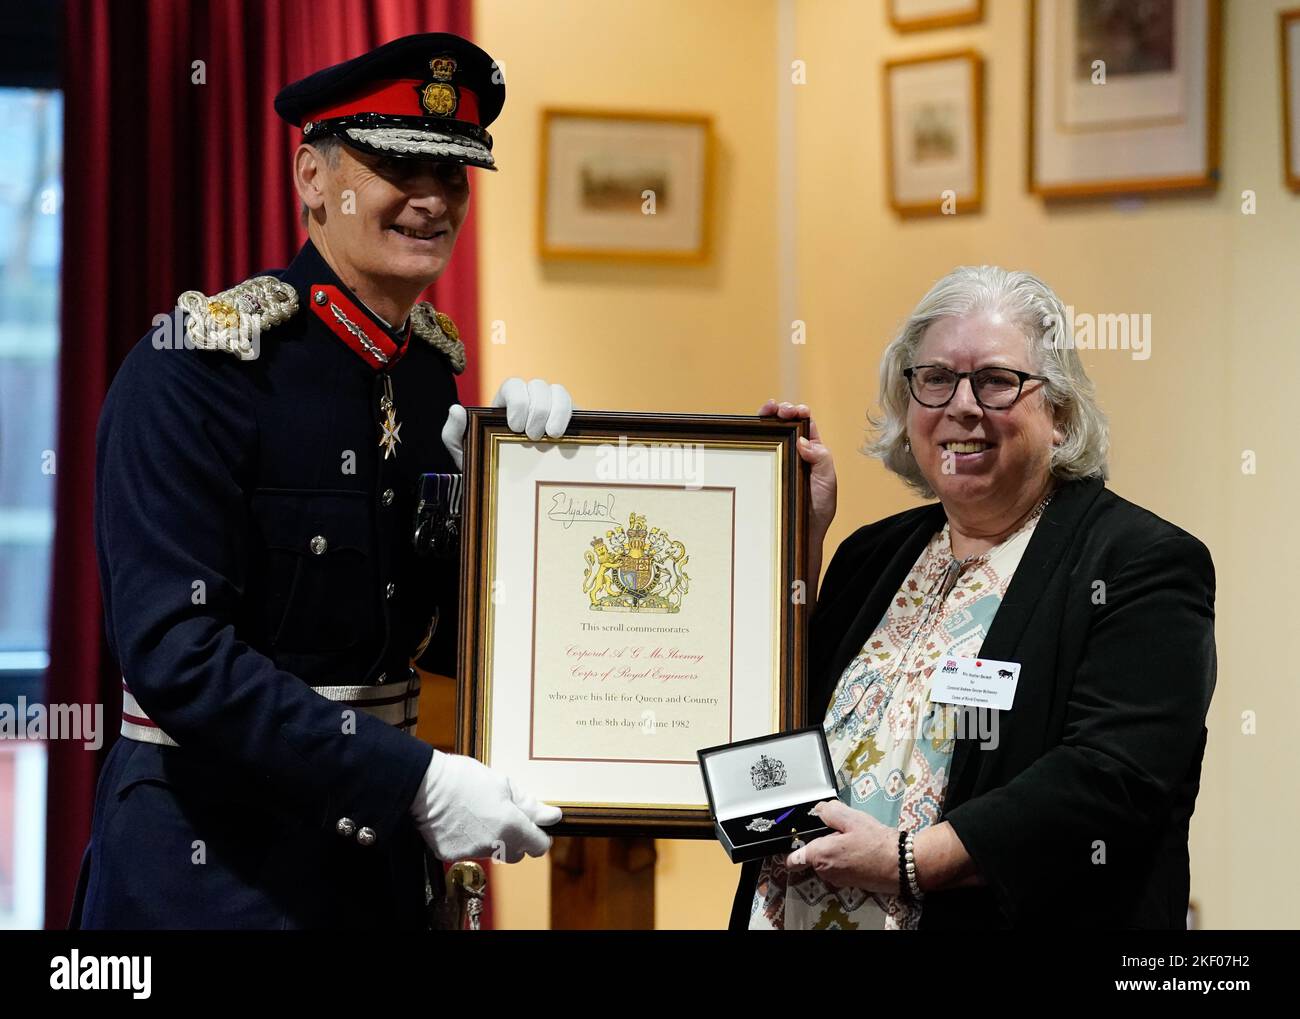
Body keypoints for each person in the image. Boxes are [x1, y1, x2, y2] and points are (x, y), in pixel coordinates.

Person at [72, 32, 573, 929]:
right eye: (396, 164)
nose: (431, 200)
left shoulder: (428, 377)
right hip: (211, 871)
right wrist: (412, 777)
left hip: (374, 873)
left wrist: (530, 497)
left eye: (453, 175)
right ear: (312, 178)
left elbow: (445, 639)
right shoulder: (198, 367)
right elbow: (180, 656)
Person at [735, 266, 1216, 929]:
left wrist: (910, 860)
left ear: (1060, 413)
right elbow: (769, 753)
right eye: (935, 378)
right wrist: (798, 545)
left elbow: (1110, 785)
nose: (963, 405)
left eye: (996, 380)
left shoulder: (1141, 563)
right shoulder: (870, 556)